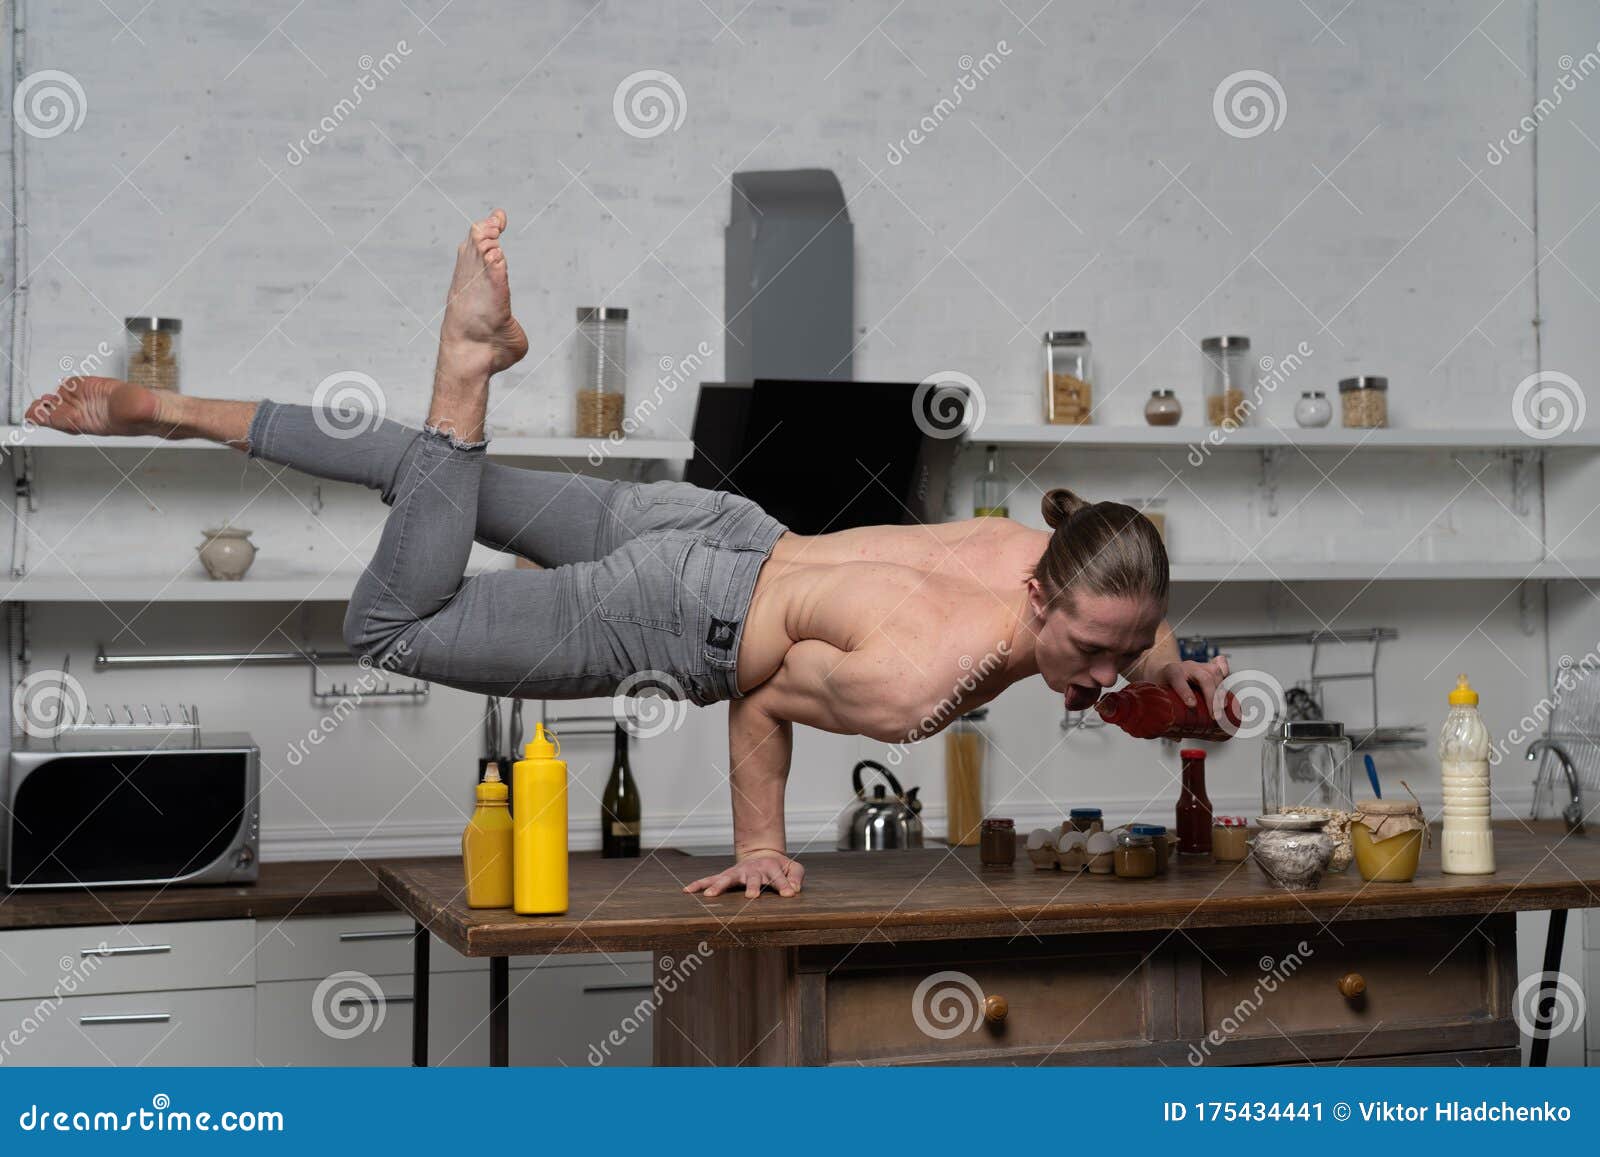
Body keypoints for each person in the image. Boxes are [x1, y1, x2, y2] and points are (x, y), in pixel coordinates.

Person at [27, 209, 1230, 899]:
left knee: (426, 480)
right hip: (677, 613)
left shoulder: (1046, 550)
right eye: (1092, 653)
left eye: (1121, 650)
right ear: (1038, 597)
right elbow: (759, 689)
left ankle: (165, 411)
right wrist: (760, 845)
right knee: (389, 626)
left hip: (711, 518)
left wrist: (1179, 671)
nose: (1104, 672)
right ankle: (467, 367)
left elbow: (1137, 613)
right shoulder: (926, 681)